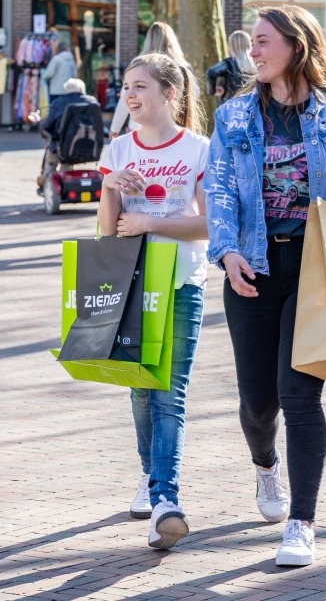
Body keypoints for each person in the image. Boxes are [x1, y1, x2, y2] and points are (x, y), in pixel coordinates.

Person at [203, 5, 326, 568]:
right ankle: (264, 465)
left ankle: (302, 522)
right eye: (251, 43)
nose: (251, 52)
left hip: (315, 272)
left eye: (261, 41)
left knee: (299, 396)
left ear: (295, 45)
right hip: (252, 270)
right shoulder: (232, 117)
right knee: (258, 404)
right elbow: (222, 194)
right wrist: (226, 253)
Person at [98, 51, 209, 551]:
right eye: (126, 85)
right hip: (130, 282)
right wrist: (109, 189)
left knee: (170, 392)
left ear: (170, 93)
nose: (130, 94)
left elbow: (210, 224)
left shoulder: (199, 150)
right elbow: (106, 234)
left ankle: (166, 498)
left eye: (141, 86)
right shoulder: (119, 150)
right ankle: (150, 476)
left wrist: (152, 222)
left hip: (182, 281)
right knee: (140, 389)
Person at [109, 21, 188, 139]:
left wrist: (114, 128)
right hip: (174, 127)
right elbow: (193, 95)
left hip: (138, 127)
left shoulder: (137, 66)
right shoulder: (182, 68)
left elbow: (125, 99)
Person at [32, 77, 100, 189]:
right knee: (67, 159)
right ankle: (67, 180)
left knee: (52, 155)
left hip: (62, 147)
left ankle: (46, 180)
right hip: (89, 147)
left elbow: (46, 125)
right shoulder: (93, 102)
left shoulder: (58, 103)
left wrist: (41, 121)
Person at [205, 30, 255, 103]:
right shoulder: (256, 65)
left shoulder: (228, 63)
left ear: (231, 46)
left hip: (231, 107)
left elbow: (211, 72)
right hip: (251, 106)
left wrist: (213, 91)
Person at [41, 40, 77, 105]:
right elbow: (74, 75)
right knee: (66, 112)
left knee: (55, 112)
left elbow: (48, 74)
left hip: (55, 91)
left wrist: (42, 76)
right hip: (68, 91)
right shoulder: (71, 59)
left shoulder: (56, 59)